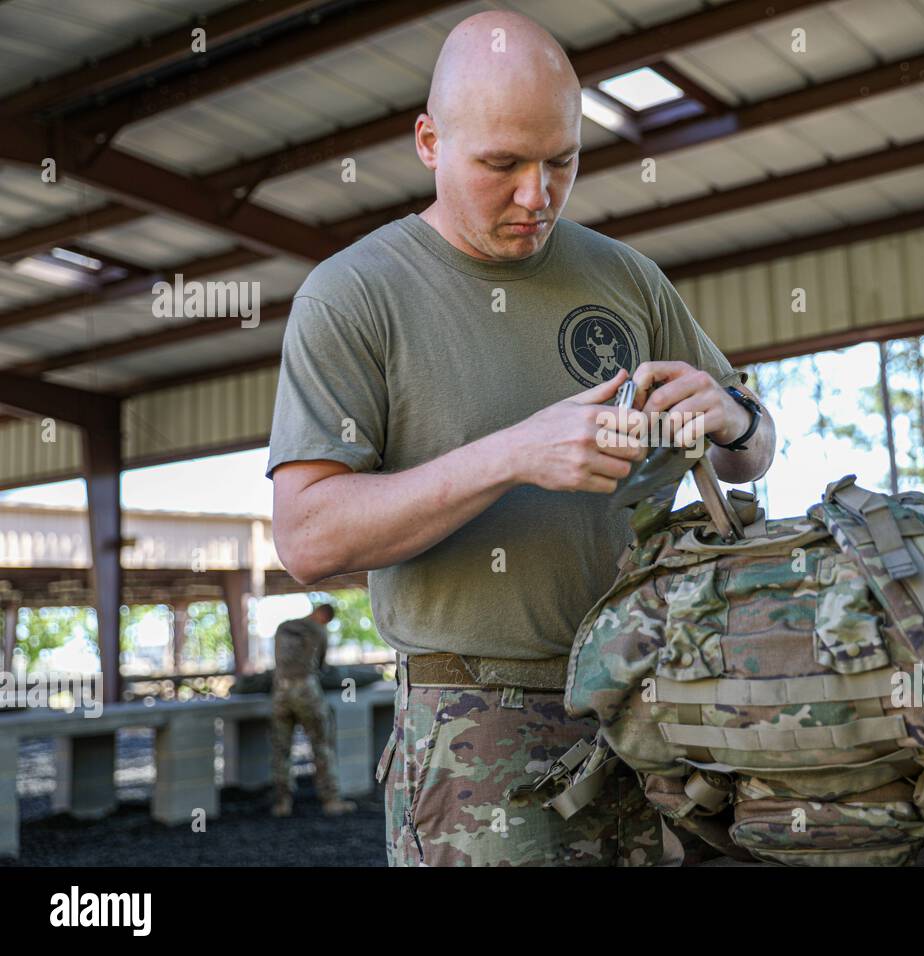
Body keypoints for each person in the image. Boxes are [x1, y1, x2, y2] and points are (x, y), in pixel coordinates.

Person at [266, 10, 776, 865]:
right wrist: (512, 455)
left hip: (661, 714)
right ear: (429, 141)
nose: (537, 195)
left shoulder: (624, 276)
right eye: (501, 164)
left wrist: (733, 417)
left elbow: (751, 451)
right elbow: (307, 538)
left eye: (562, 162)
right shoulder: (352, 295)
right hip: (481, 734)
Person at [269, 603, 356, 817]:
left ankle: (282, 802)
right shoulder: (318, 631)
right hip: (307, 692)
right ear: (325, 617)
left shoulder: (283, 627)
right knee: (321, 744)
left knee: (281, 748)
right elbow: (321, 666)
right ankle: (331, 800)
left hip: (279, 691)